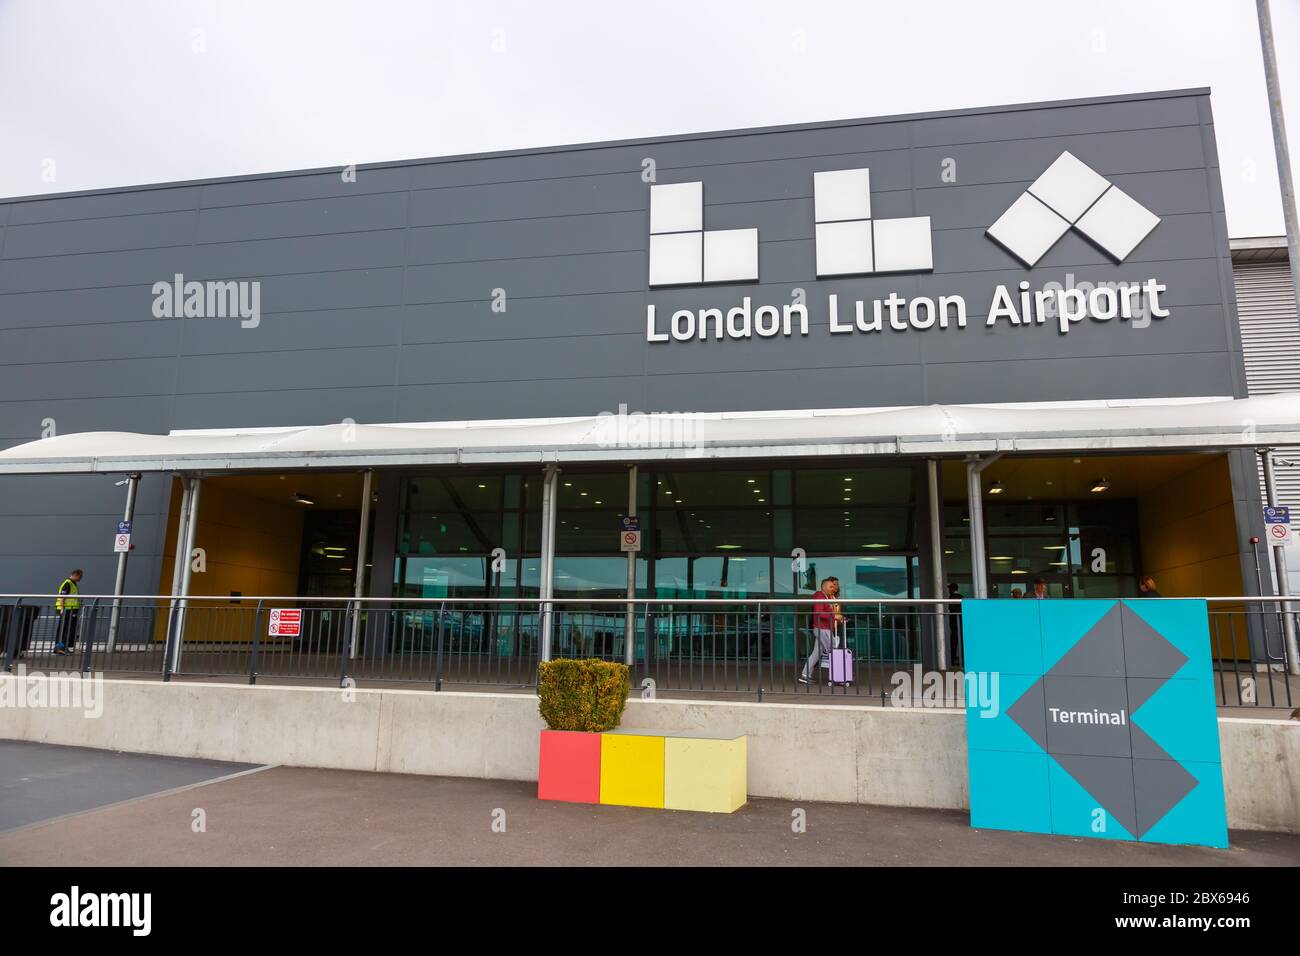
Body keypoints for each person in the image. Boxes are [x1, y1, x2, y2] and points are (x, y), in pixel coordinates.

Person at [798, 576, 841, 684]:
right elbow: (819, 612)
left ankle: (805, 675)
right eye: (830, 586)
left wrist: (840, 618)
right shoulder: (819, 596)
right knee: (833, 650)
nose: (833, 588)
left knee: (817, 653)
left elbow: (828, 613)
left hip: (824, 628)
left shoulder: (825, 597)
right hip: (822, 629)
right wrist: (834, 617)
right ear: (824, 587)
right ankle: (839, 675)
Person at [53, 569, 83, 656]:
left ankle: (64, 647)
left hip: (71, 610)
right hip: (67, 610)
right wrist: (62, 609)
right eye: (80, 577)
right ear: (76, 575)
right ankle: (59, 648)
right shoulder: (67, 583)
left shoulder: (73, 584)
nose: (80, 579)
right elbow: (62, 597)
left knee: (69, 629)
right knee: (64, 629)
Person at [946, 582, 963, 667]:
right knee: (962, 643)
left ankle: (953, 661)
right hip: (961, 623)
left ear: (953, 589)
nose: (949, 590)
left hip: (954, 624)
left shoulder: (952, 597)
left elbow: (952, 609)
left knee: (953, 644)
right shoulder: (961, 597)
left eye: (949, 588)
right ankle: (963, 661)